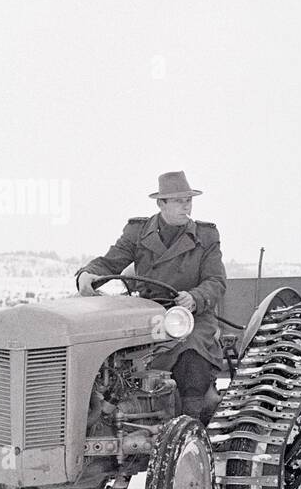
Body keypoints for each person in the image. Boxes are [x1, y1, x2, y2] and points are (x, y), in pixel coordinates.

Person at [76, 171, 227, 424]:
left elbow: (216, 281)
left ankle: (192, 425)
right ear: (161, 204)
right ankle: (107, 415)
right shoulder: (138, 232)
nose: (186, 206)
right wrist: (87, 274)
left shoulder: (206, 236)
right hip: (147, 314)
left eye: (188, 200)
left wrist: (194, 297)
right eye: (178, 201)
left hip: (188, 317)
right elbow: (111, 261)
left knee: (192, 358)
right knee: (115, 359)